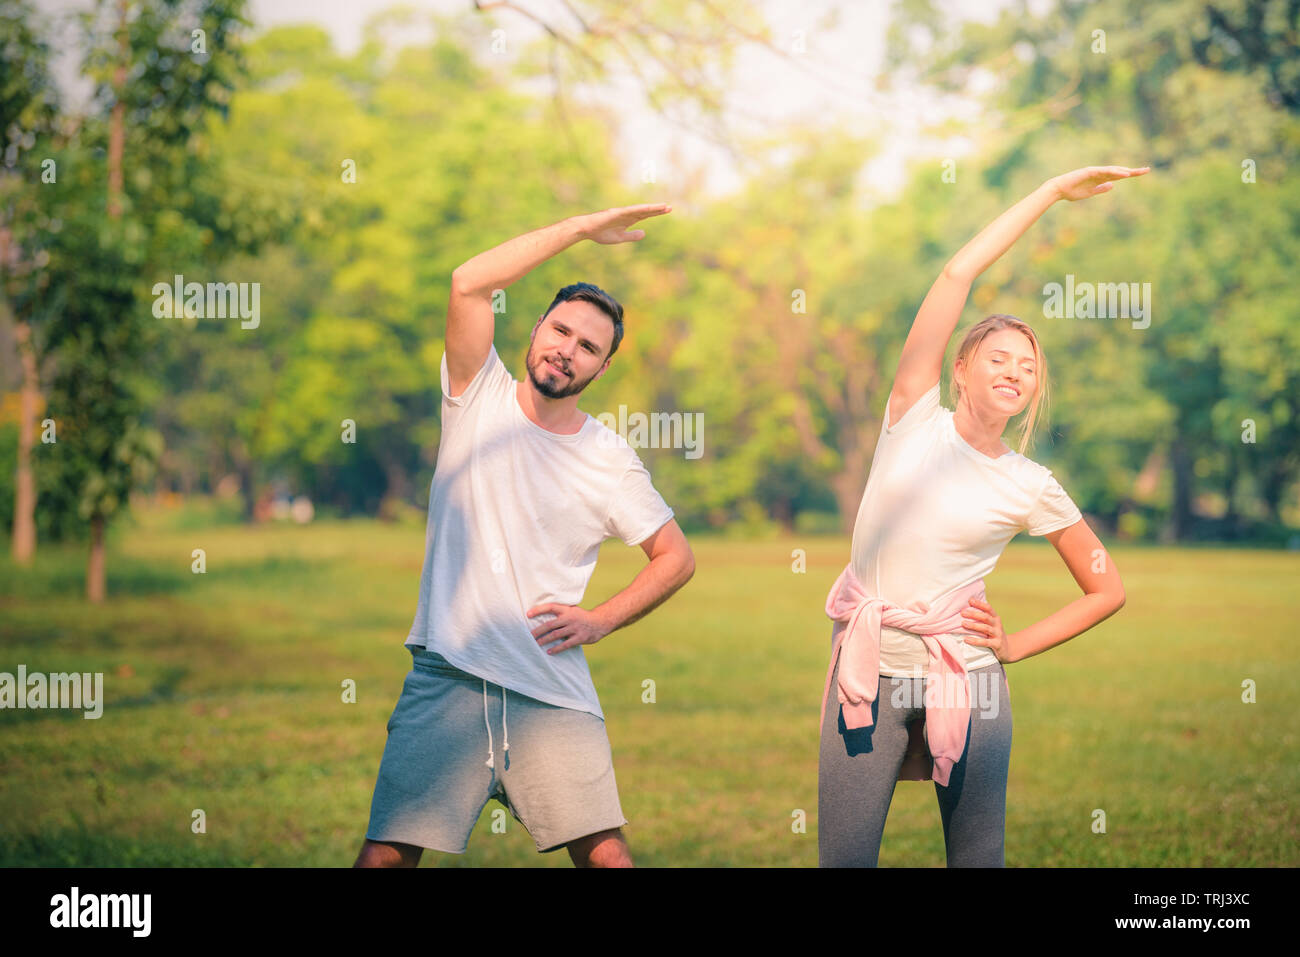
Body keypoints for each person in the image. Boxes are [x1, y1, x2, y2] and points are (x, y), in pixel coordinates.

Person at [818, 166, 1142, 867]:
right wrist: (1052, 191)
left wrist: (1016, 644)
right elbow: (956, 275)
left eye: (1028, 368)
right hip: (866, 671)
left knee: (977, 859)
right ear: (959, 368)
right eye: (999, 357)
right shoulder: (911, 418)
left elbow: (1106, 588)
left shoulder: (1031, 484)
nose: (1015, 372)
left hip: (966, 674)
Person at [355, 204, 695, 868]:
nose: (567, 349)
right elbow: (467, 282)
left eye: (588, 347)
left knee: (608, 859)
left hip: (551, 690)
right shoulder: (474, 394)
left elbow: (675, 557)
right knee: (386, 857)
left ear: (600, 369)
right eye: (561, 329)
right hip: (447, 675)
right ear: (536, 327)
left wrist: (600, 619)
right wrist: (577, 230)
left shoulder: (608, 458)